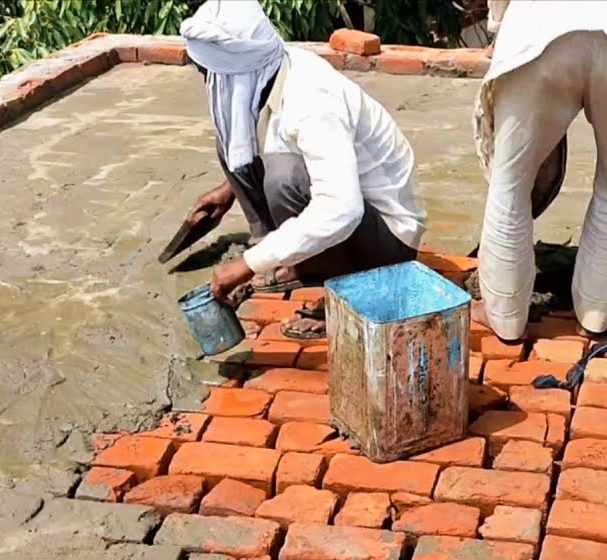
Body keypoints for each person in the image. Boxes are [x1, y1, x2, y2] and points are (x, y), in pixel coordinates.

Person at [182, 0, 427, 339]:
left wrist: (246, 265)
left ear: (233, 71)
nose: (207, 82)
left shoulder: (312, 100)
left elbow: (341, 209)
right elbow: (264, 138)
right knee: (232, 146)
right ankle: (293, 257)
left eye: (206, 72)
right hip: (359, 218)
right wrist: (228, 191)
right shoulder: (271, 67)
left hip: (389, 242)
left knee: (285, 179)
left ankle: (347, 303)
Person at [472, 0, 607, 341]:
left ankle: (505, 320)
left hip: (540, 26)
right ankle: (596, 318)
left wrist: (500, 24)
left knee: (510, 184)